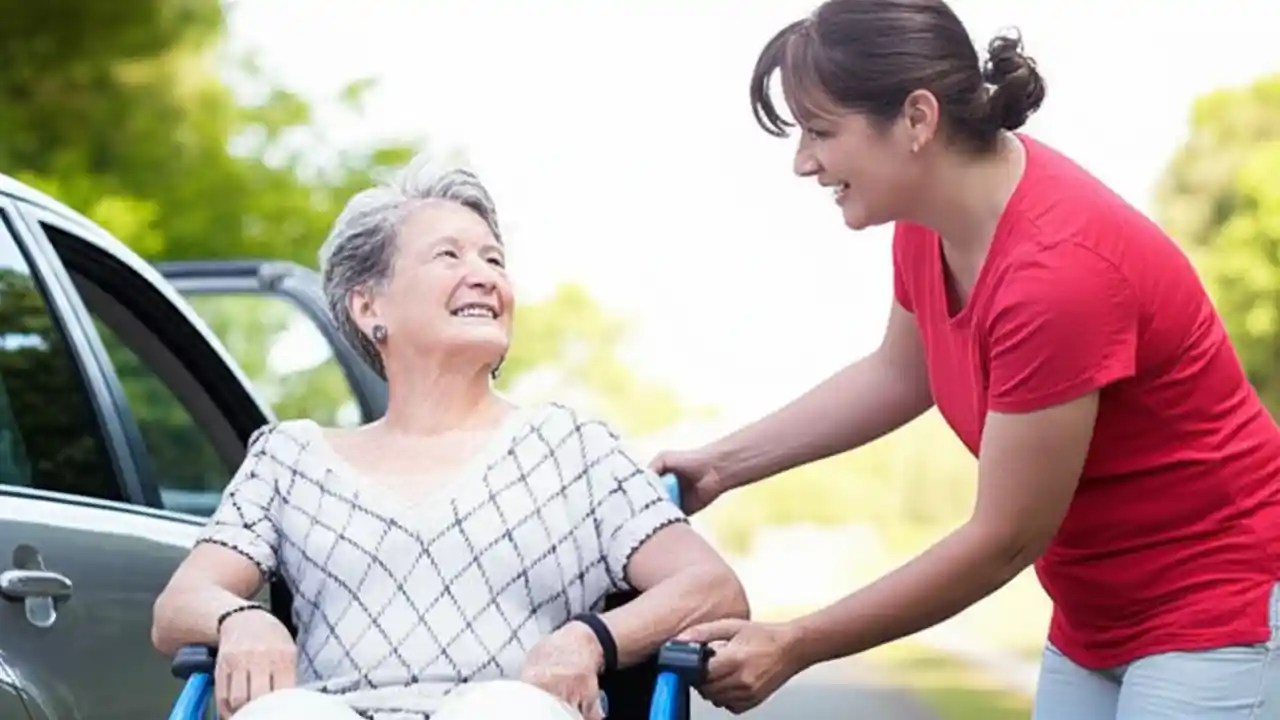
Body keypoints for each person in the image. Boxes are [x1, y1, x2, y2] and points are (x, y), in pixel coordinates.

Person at [651, 1, 1280, 718]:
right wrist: (724, 464)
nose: (803, 161)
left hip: (1215, 606)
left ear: (917, 120)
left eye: (821, 130)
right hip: (1092, 617)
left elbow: (1003, 538)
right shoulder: (932, 225)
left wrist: (797, 642)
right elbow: (898, 373)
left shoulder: (1056, 274)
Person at [151, 157, 750, 720]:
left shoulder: (572, 448)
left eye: (494, 260)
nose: (484, 277)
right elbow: (180, 603)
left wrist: (588, 640)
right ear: (368, 305)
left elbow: (711, 588)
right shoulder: (289, 458)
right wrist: (239, 620)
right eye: (449, 255)